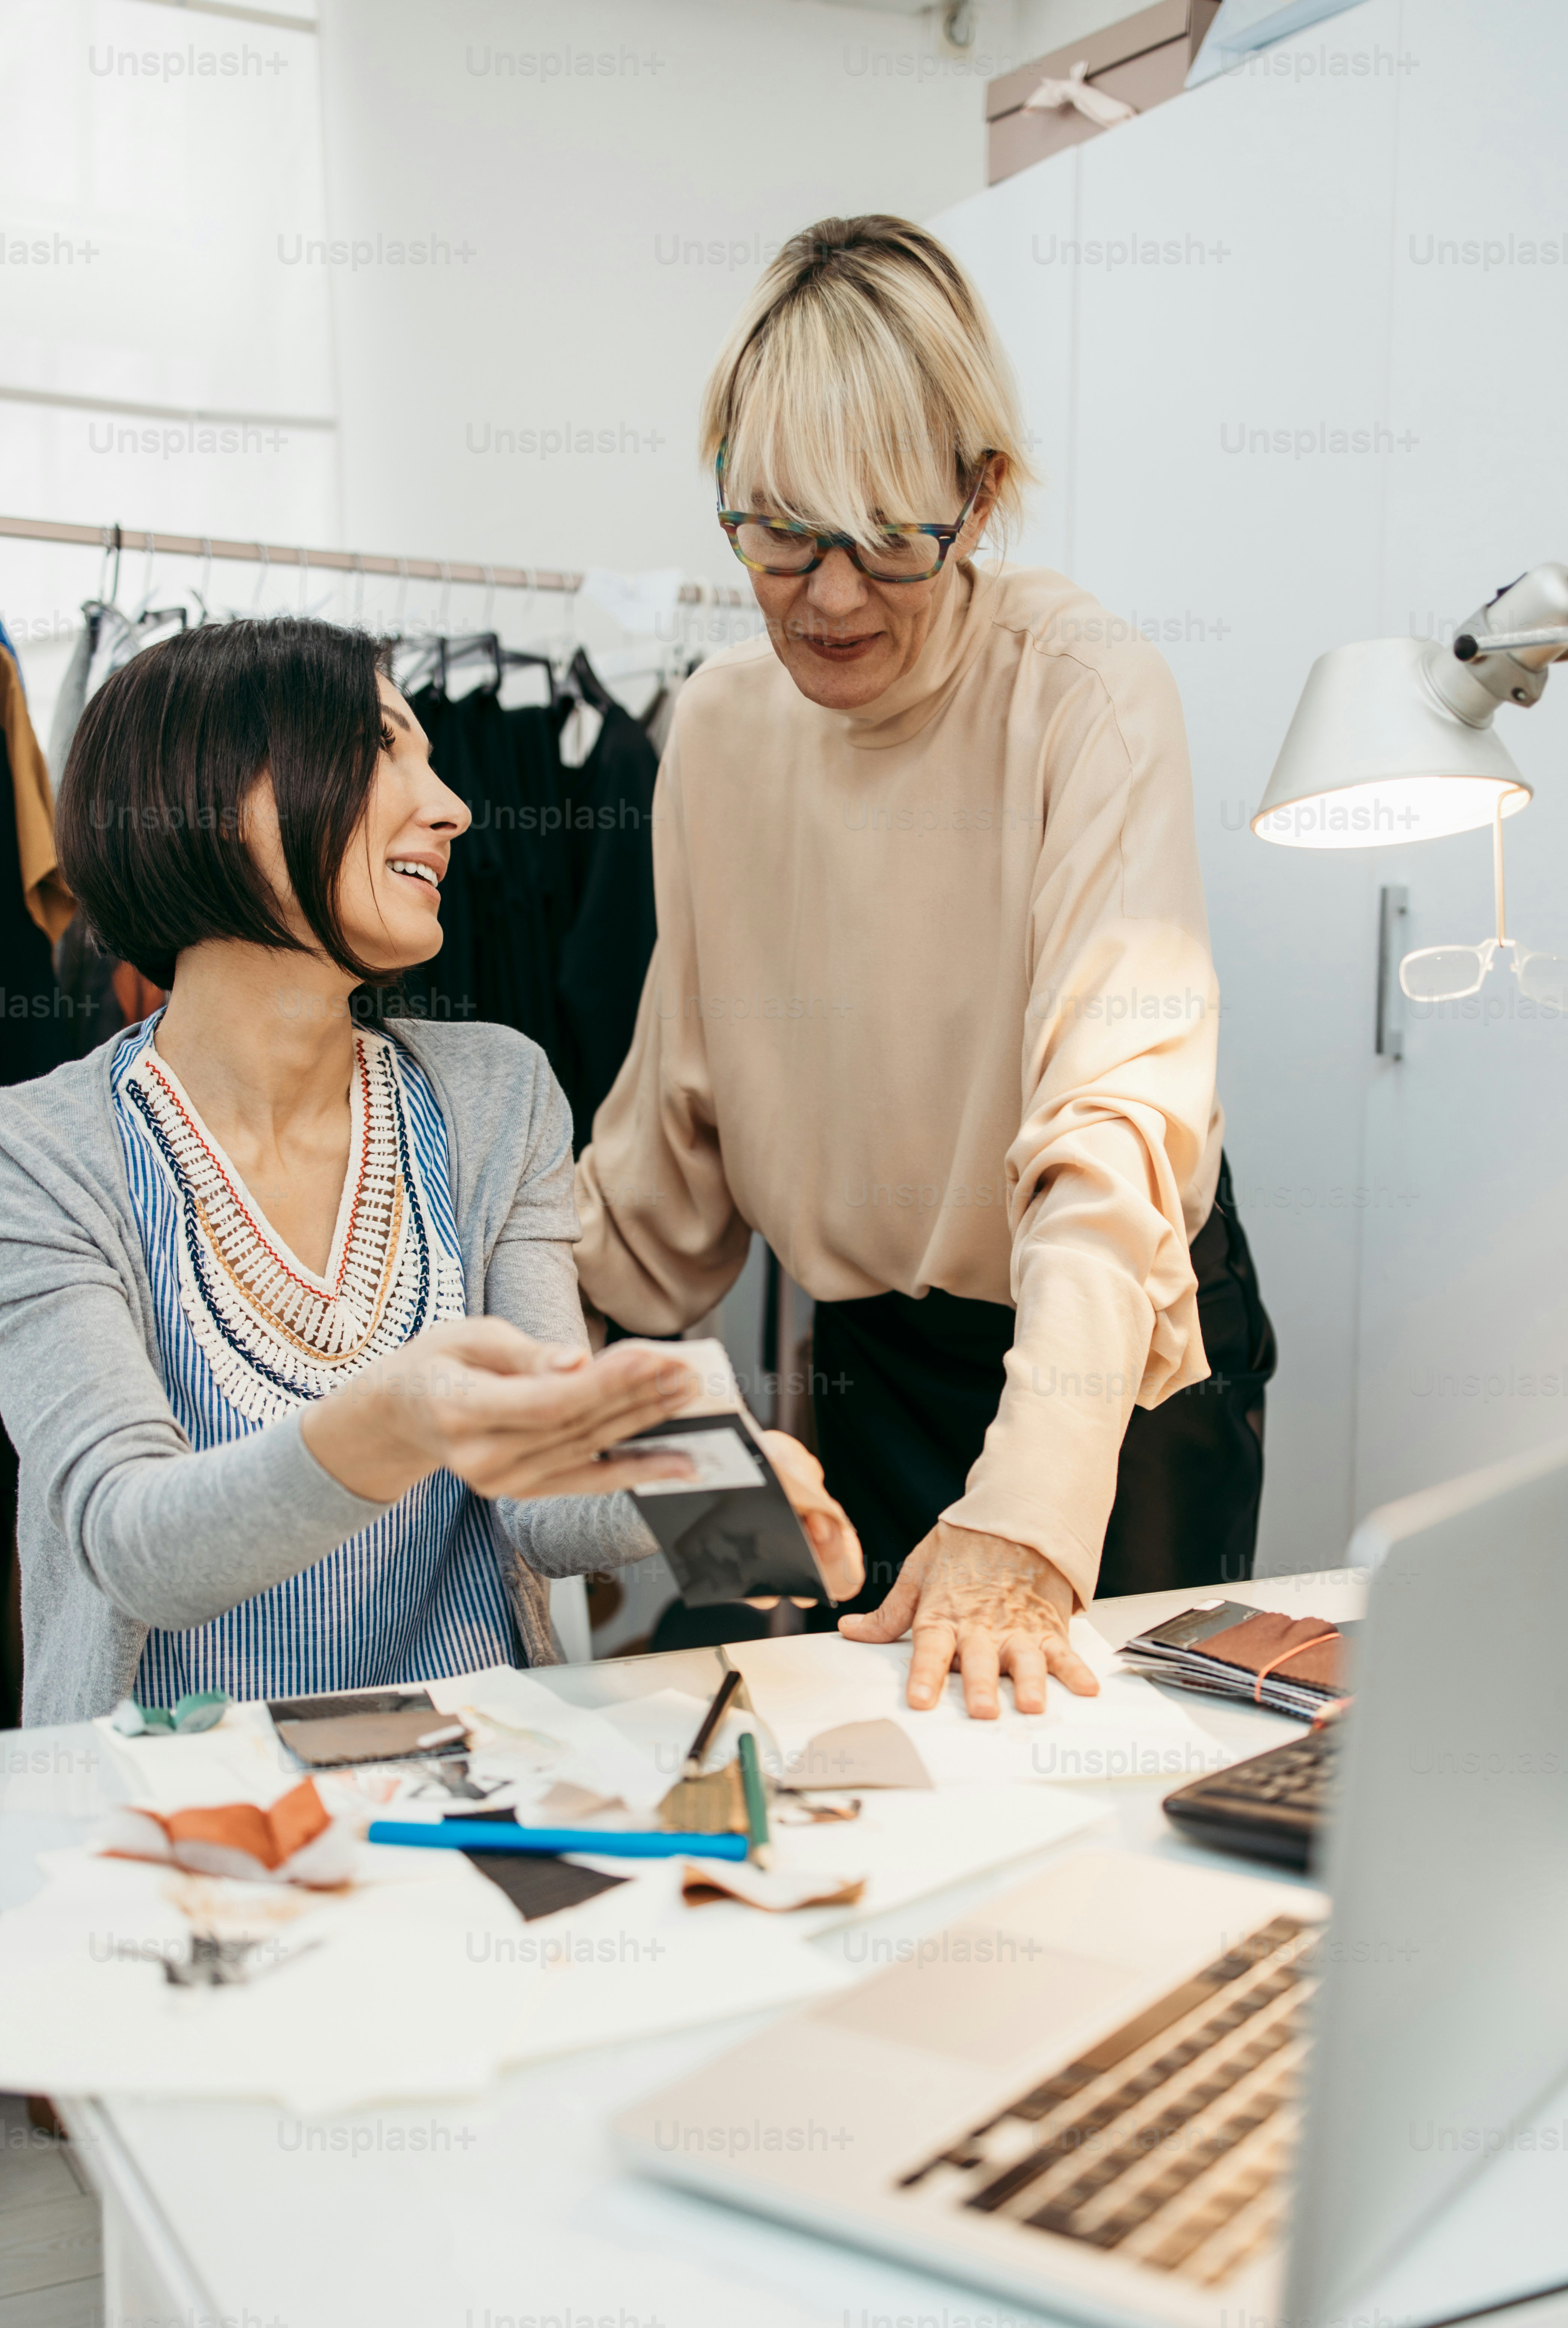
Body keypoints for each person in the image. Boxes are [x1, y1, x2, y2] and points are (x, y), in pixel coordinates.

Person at [576, 214, 1275, 1723]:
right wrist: (528, 1365)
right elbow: (671, 1137)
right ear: (722, 495)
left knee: (1087, 1794)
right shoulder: (714, 727)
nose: (828, 601)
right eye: (779, 532)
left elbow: (1111, 1140)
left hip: (1110, 1350)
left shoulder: (1084, 695)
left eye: (893, 538)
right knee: (863, 1765)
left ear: (984, 495)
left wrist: (1025, 1519)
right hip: (875, 1359)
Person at [0, 617, 858, 1725]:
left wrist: (721, 1486)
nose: (451, 805)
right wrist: (395, 1421)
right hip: (178, 1829)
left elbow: (541, 1500)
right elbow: (133, 1545)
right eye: (379, 750)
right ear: (212, 805)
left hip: (471, 1783)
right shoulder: (43, 1156)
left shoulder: (500, 1095)